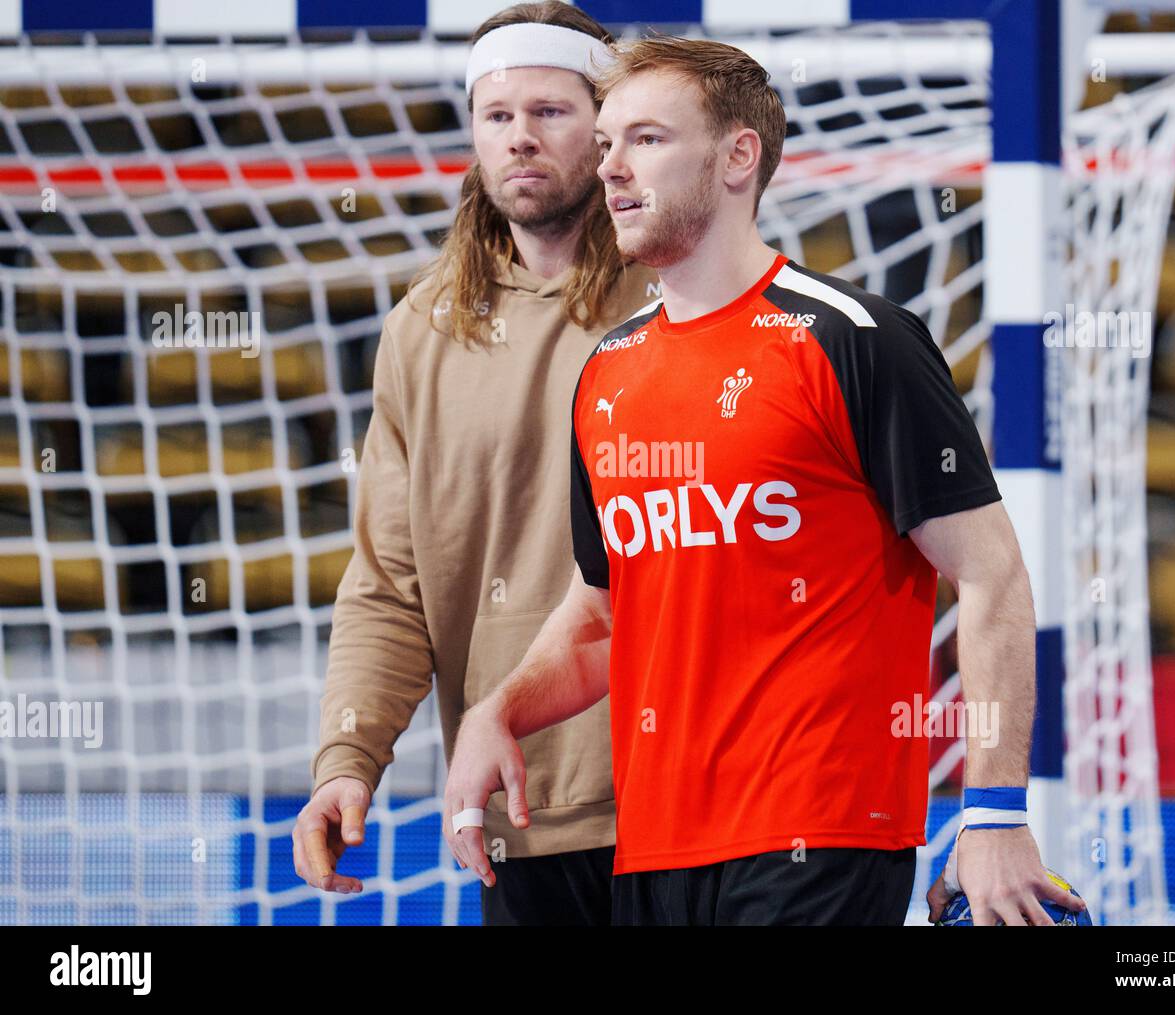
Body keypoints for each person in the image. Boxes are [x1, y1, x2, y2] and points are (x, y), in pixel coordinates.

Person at [443, 34, 1090, 926]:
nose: (612, 170)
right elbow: (600, 614)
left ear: (738, 156)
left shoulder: (858, 338)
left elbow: (991, 573)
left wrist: (996, 811)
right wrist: (497, 711)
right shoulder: (608, 374)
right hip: (655, 850)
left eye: (646, 140)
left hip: (820, 837)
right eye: (604, 145)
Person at [292, 2, 659, 926]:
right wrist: (348, 757)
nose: (521, 139)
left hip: (700, 803)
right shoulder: (424, 333)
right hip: (519, 811)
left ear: (608, 128)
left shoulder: (686, 292)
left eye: (550, 113)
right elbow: (389, 582)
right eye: (497, 117)